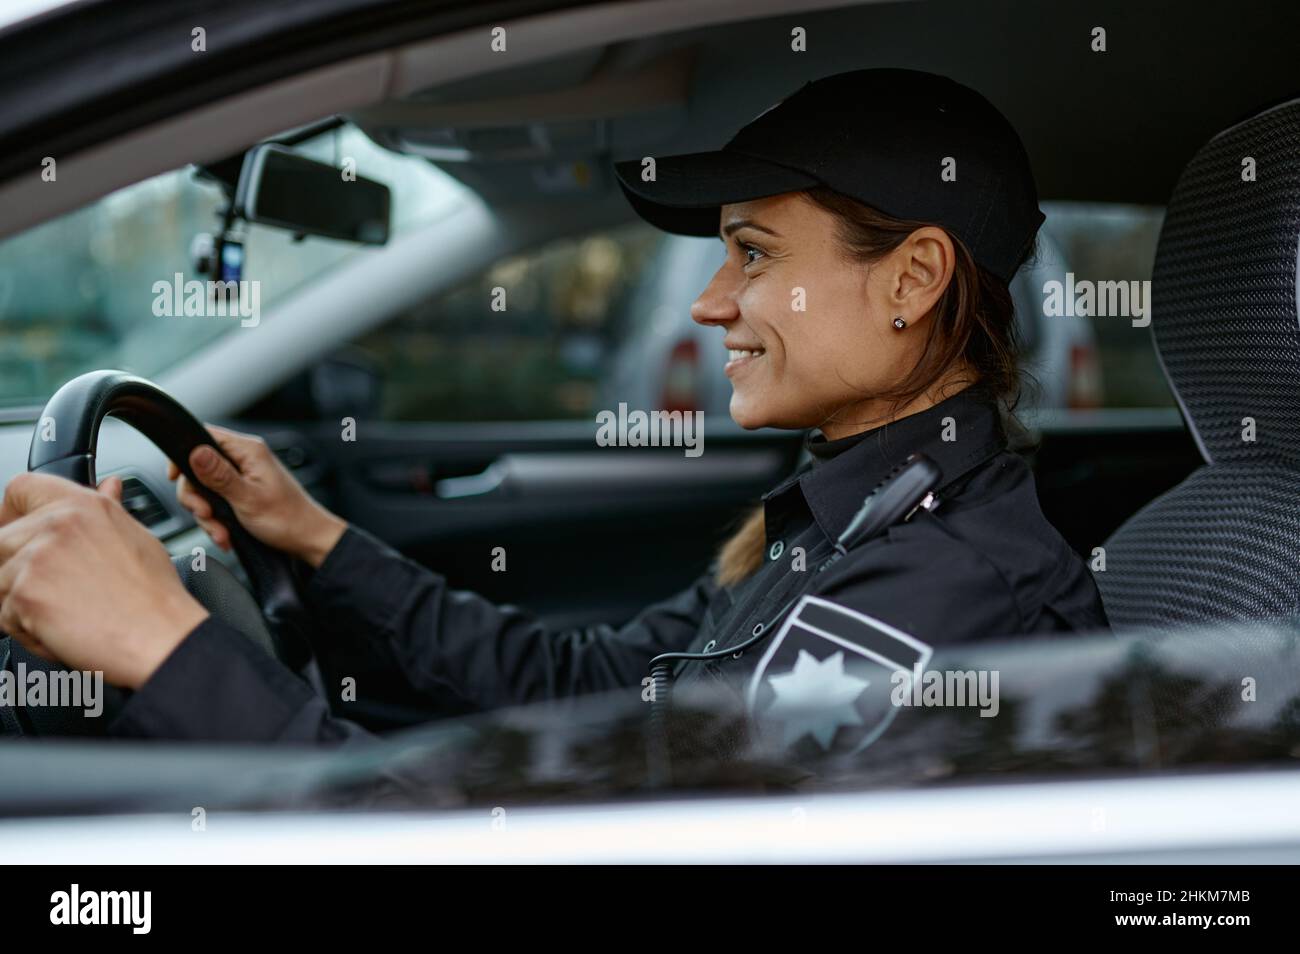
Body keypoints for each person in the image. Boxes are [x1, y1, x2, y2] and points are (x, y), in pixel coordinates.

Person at [0, 69, 1108, 750]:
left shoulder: (937, 594)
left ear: (910, 281)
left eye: (753, 254)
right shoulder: (861, 517)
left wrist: (168, 648)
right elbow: (580, 690)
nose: (713, 304)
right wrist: (319, 540)